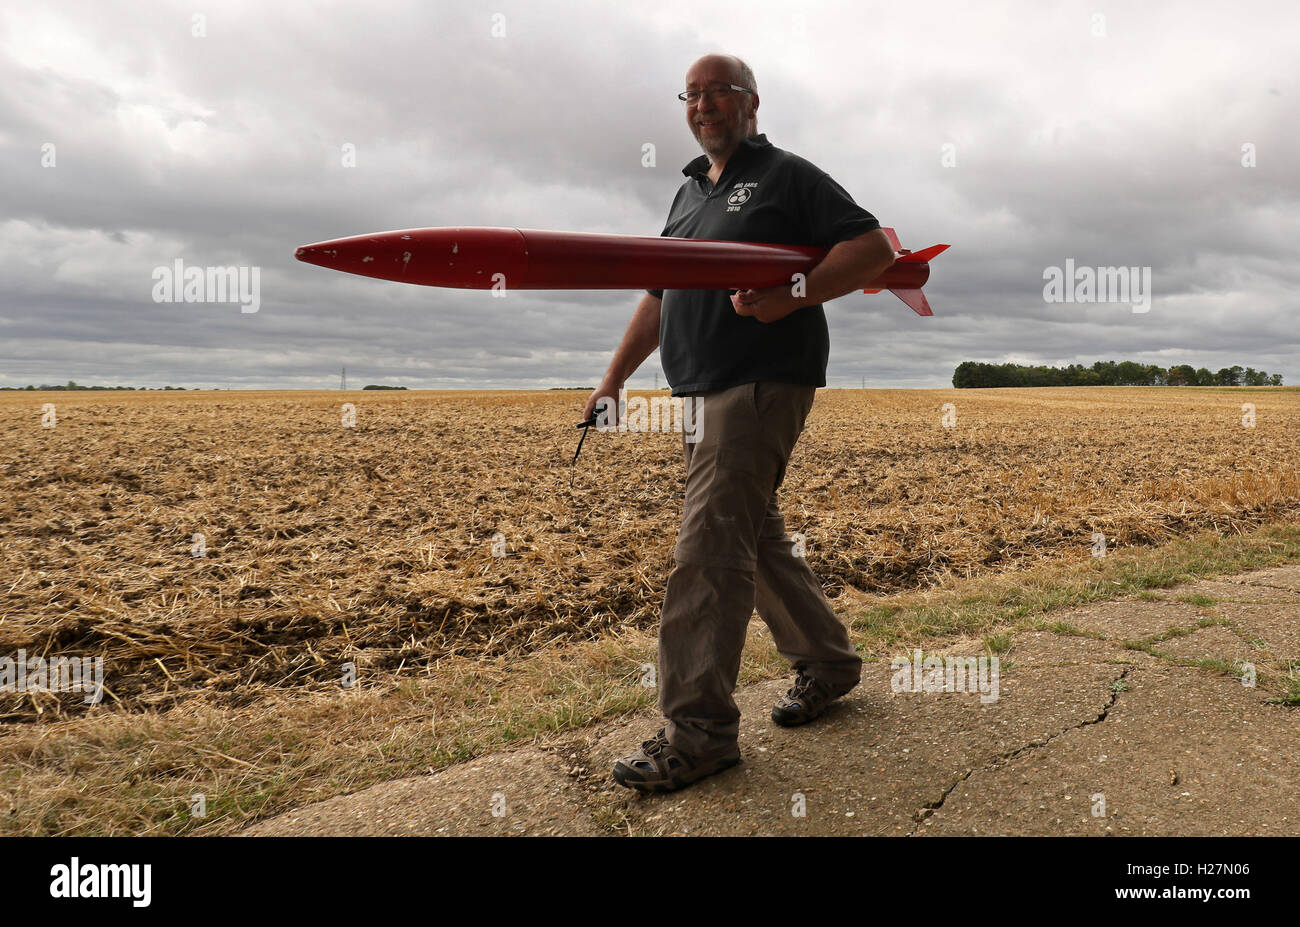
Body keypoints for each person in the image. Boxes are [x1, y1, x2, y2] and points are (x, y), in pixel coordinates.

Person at [582, 53, 897, 793]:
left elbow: (874, 247)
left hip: (761, 383)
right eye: (690, 95)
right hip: (699, 388)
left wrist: (794, 293)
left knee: (708, 550)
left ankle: (697, 736)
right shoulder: (688, 193)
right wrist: (613, 379)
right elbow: (659, 292)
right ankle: (828, 662)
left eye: (716, 91)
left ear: (750, 101)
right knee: (754, 538)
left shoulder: (786, 175)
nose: (702, 105)